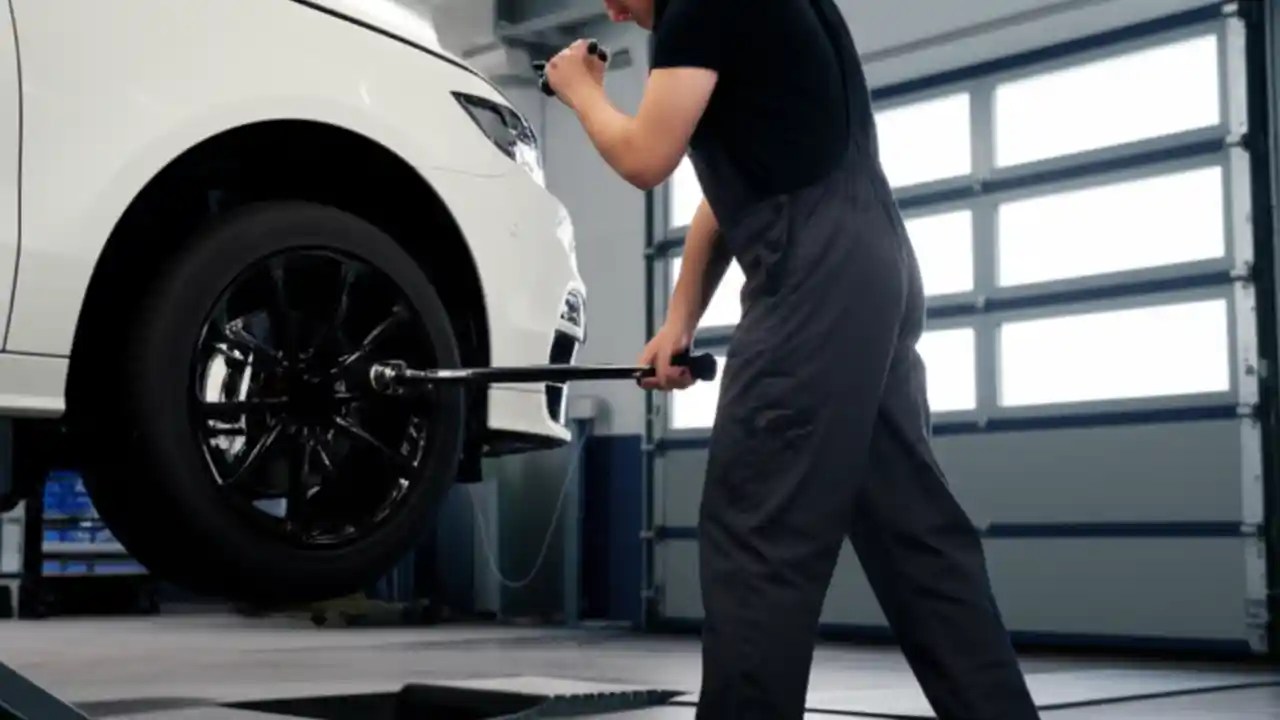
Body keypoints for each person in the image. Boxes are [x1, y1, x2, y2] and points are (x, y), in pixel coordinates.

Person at [543, 1, 1041, 718]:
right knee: (918, 541)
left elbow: (646, 158)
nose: (614, 9)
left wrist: (580, 91)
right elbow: (731, 186)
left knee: (757, 535)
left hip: (816, 280)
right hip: (874, 266)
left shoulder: (695, 9)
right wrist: (680, 319)